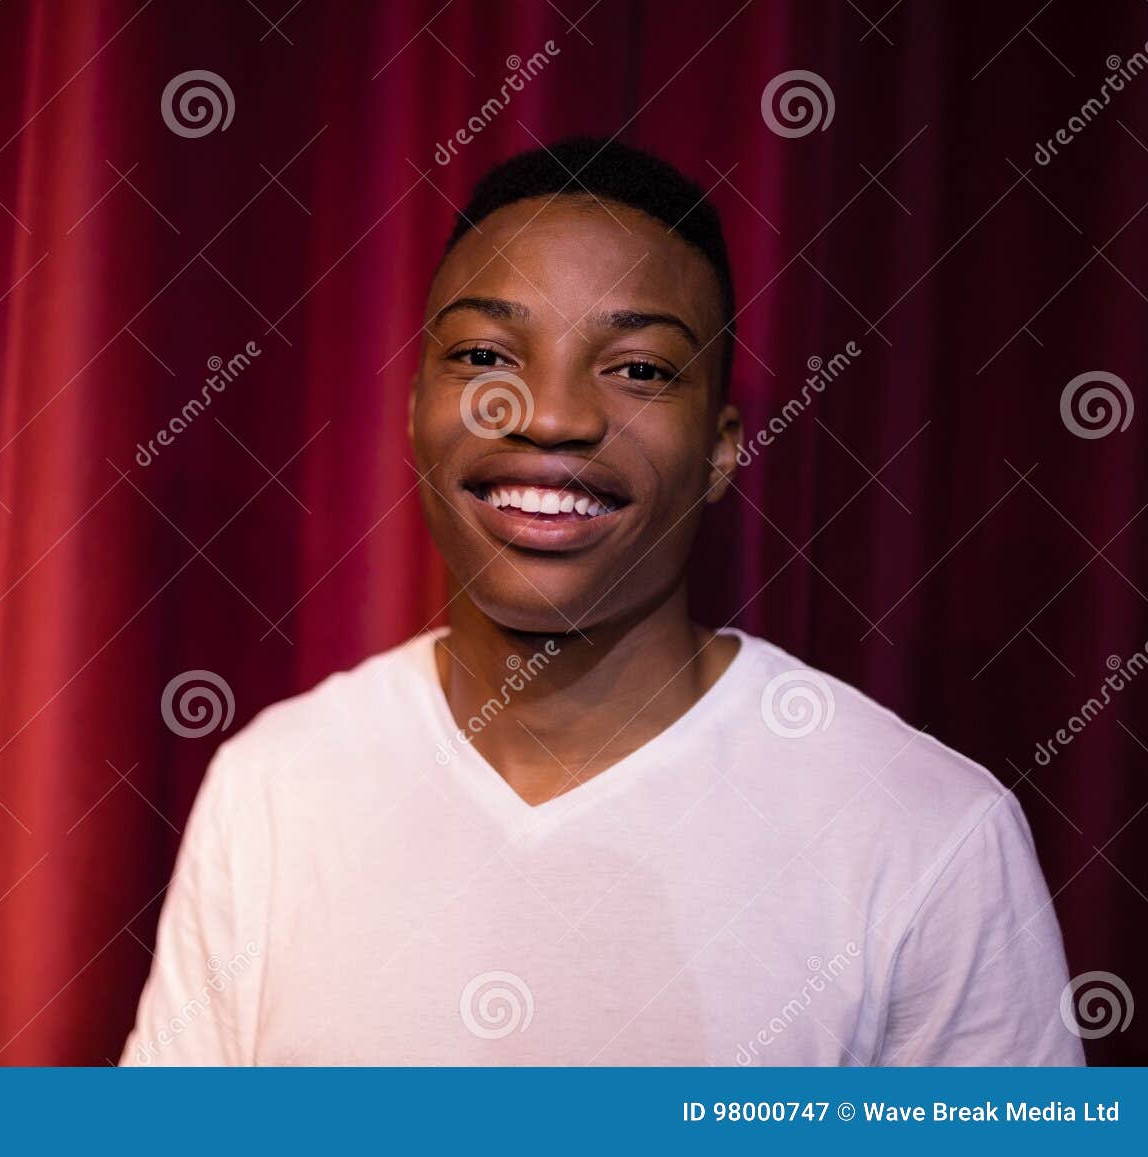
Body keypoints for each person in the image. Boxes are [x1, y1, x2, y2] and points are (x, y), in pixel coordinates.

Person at [123, 137, 1083, 1065]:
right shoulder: (275, 786)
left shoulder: (926, 832)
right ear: (415, 408)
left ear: (720, 447)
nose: (549, 416)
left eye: (638, 370)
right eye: (486, 356)